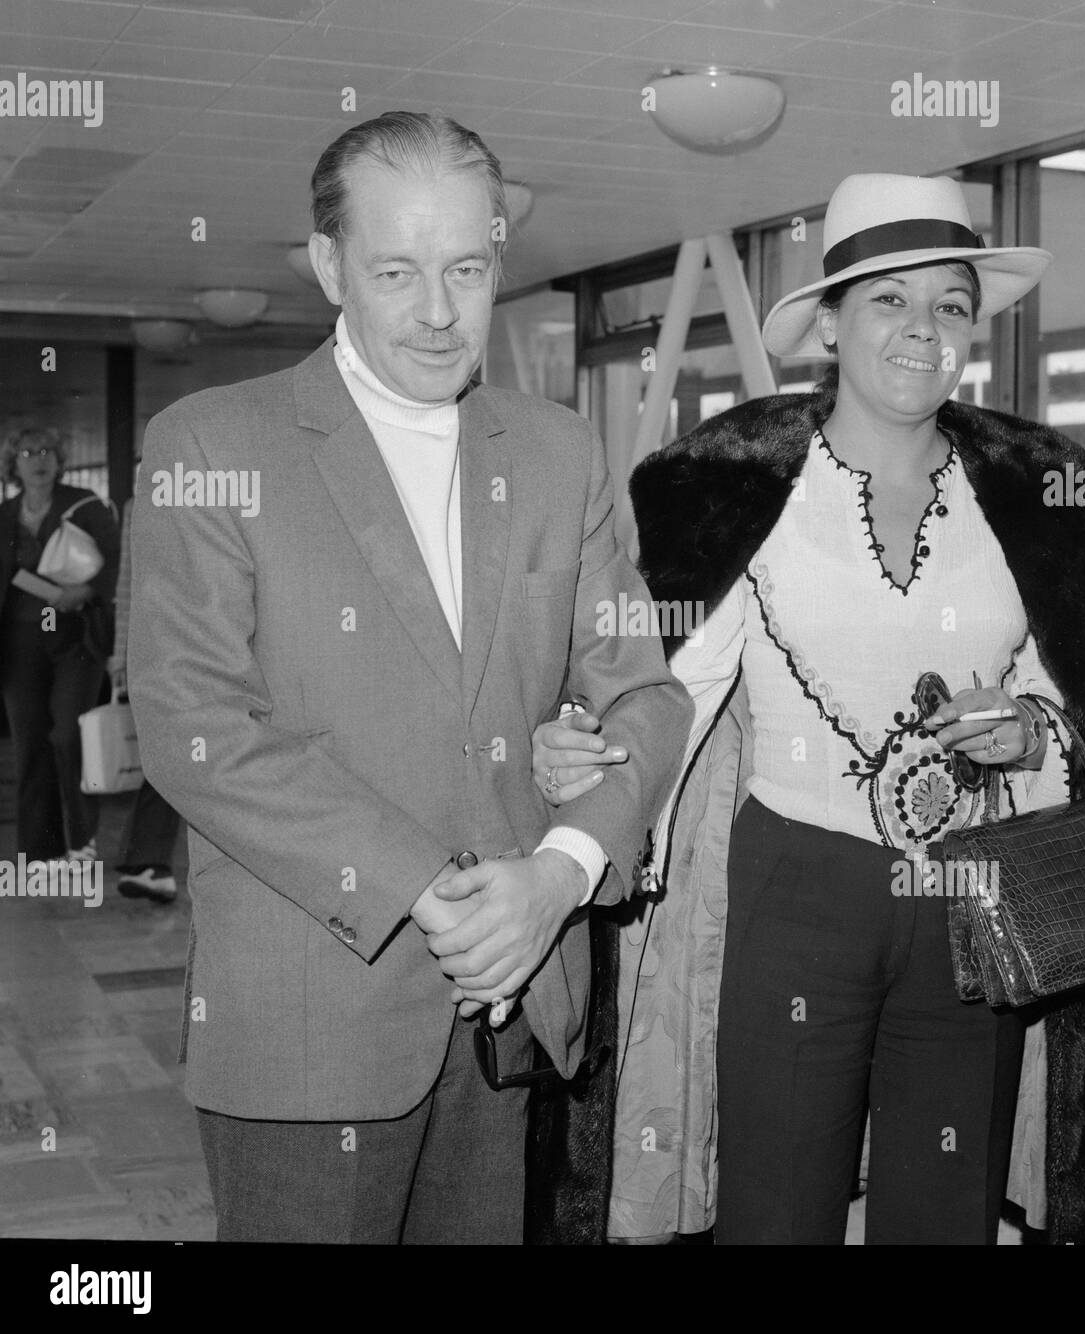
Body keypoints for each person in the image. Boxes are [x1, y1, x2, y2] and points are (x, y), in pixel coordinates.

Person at [533, 174, 1085, 1245]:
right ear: (829, 324)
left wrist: (1028, 731)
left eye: (949, 303)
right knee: (777, 1208)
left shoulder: (1026, 501)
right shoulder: (744, 492)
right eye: (888, 299)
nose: (922, 330)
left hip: (973, 901)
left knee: (944, 1209)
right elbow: (673, 694)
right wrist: (588, 768)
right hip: (795, 890)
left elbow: (1073, 702)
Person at [129, 111, 691, 1245]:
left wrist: (559, 870)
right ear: (330, 264)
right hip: (306, 1024)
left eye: (467, 270)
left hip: (509, 1007)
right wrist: (431, 889)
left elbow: (648, 694)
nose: (439, 312)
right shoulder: (210, 445)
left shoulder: (554, 450)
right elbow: (194, 730)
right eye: (397, 271)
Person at [0, 426, 118, 864]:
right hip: (19, 643)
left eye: (47, 450)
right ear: (15, 462)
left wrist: (85, 592)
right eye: (28, 451)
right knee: (30, 743)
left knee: (68, 735)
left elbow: (115, 561)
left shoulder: (83, 505)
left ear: (60, 459)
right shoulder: (5, 513)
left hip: (76, 638)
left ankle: (81, 841)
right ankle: (38, 850)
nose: (38, 458)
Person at [108, 497, 182, 902]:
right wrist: (121, 654)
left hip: (227, 643)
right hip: (164, 646)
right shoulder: (139, 504)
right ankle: (151, 862)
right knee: (171, 750)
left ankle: (150, 861)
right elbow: (127, 581)